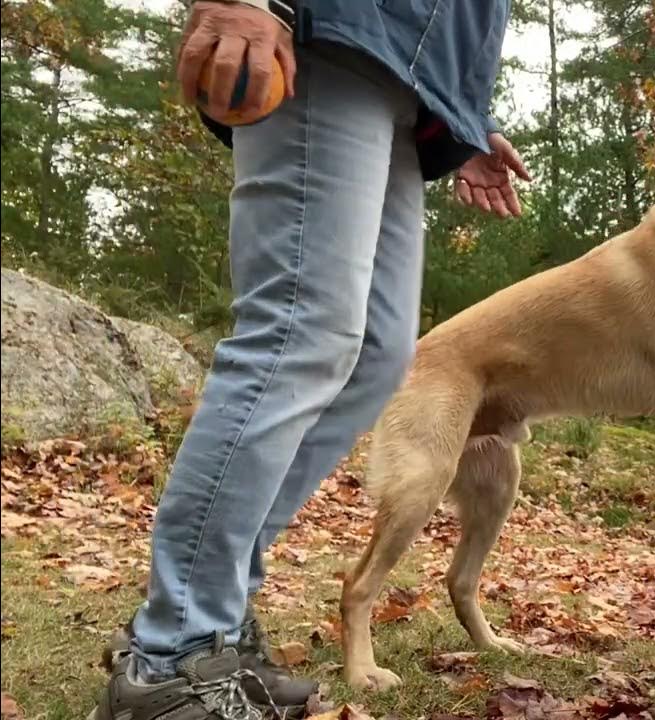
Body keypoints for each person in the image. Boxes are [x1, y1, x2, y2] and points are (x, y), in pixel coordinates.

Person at [92, 1, 530, 717]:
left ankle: (217, 619)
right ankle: (174, 647)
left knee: (378, 358)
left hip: (407, 81)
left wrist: (465, 115)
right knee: (298, 334)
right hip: (327, 33)